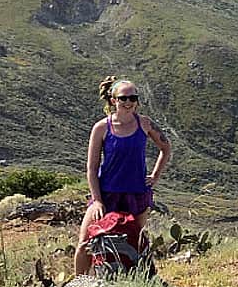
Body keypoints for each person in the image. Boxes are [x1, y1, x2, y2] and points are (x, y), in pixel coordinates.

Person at [74, 76, 172, 275]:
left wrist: (155, 176)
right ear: (113, 100)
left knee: (132, 241)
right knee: (86, 242)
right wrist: (98, 201)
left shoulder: (145, 124)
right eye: (123, 98)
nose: (128, 102)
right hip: (107, 194)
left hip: (136, 195)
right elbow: (92, 168)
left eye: (133, 98)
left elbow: (166, 147)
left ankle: (127, 281)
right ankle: (80, 284)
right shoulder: (101, 128)